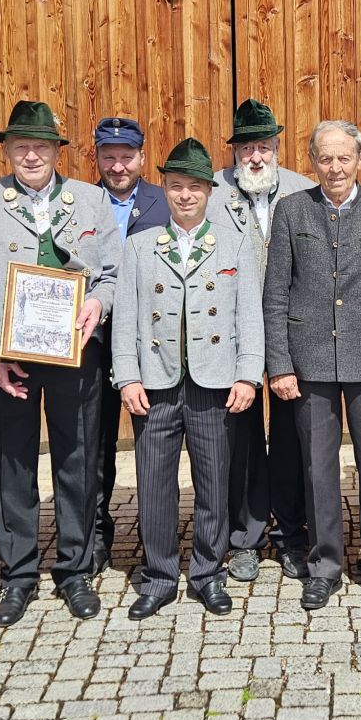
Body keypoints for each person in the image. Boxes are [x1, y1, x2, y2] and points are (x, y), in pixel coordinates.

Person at [0, 100, 120, 626]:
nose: (30, 156)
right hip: (10, 359)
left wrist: (98, 303)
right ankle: (18, 575)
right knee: (12, 466)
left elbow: (112, 273)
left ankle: (75, 570)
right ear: (7, 151)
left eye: (40, 147)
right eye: (20, 147)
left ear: (55, 151)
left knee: (78, 460)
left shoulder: (90, 199)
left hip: (76, 356)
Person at [264, 120, 361, 611]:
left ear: (360, 158)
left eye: (343, 158)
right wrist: (280, 364)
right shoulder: (291, 211)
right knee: (317, 469)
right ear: (312, 161)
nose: (334, 168)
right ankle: (324, 565)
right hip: (308, 362)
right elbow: (275, 295)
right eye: (325, 158)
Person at [111, 138, 263, 619]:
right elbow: (127, 320)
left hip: (213, 379)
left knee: (214, 483)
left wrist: (248, 375)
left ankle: (208, 573)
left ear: (208, 191)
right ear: (166, 189)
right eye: (176, 186)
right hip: (155, 381)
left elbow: (250, 316)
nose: (185, 196)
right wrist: (127, 377)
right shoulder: (139, 246)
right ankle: (157, 577)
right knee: (154, 483)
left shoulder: (235, 242)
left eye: (194, 187)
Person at [206, 98, 316, 582]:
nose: (255, 157)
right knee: (242, 440)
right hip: (233, 335)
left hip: (296, 333)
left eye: (264, 146)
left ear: (277, 146)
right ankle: (245, 536)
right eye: (246, 147)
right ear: (234, 152)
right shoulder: (211, 194)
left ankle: (293, 534)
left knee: (294, 436)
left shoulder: (304, 192)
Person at [89, 116, 170, 578]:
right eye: (108, 157)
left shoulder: (166, 201)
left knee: (154, 447)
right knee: (94, 443)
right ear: (97, 158)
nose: (118, 166)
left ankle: (154, 539)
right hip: (94, 340)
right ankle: (97, 534)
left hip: (153, 342)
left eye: (126, 156)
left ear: (142, 157)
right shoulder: (81, 202)